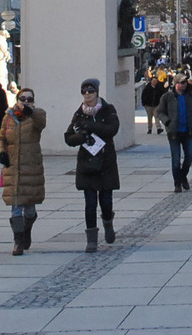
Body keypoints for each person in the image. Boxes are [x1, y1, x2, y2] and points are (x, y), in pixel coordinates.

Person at [63, 78, 120, 253]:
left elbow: (112, 130)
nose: (87, 95)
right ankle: (92, 240)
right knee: (89, 204)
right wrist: (81, 138)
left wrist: (90, 126)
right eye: (84, 92)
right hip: (87, 165)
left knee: (106, 202)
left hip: (106, 163)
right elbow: (68, 137)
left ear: (97, 92)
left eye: (91, 91)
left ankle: (108, 222)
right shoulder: (79, 113)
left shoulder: (108, 109)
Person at [0, 86, 46, 255]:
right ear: (17, 100)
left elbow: (41, 124)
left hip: (31, 167)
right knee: (15, 206)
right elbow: (1, 137)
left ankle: (27, 228)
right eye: (22, 99)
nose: (25, 102)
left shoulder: (37, 115)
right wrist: (1, 152)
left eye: (29, 99)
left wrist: (31, 112)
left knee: (30, 209)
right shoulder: (9, 117)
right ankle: (18, 241)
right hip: (13, 166)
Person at [156, 73, 192, 191]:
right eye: (181, 83)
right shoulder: (168, 97)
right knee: (176, 159)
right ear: (176, 84)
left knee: (190, 156)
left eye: (185, 83)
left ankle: (183, 176)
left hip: (187, 132)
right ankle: (177, 182)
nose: (184, 85)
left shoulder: (189, 96)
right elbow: (160, 112)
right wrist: (167, 122)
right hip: (174, 133)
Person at [140, 70, 165, 135]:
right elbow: (143, 96)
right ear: (151, 82)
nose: (155, 82)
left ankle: (158, 128)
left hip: (156, 105)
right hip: (148, 105)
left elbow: (162, 95)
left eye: (156, 81)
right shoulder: (147, 88)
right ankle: (149, 128)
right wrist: (144, 103)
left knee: (156, 116)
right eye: (153, 81)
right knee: (149, 117)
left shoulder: (159, 88)